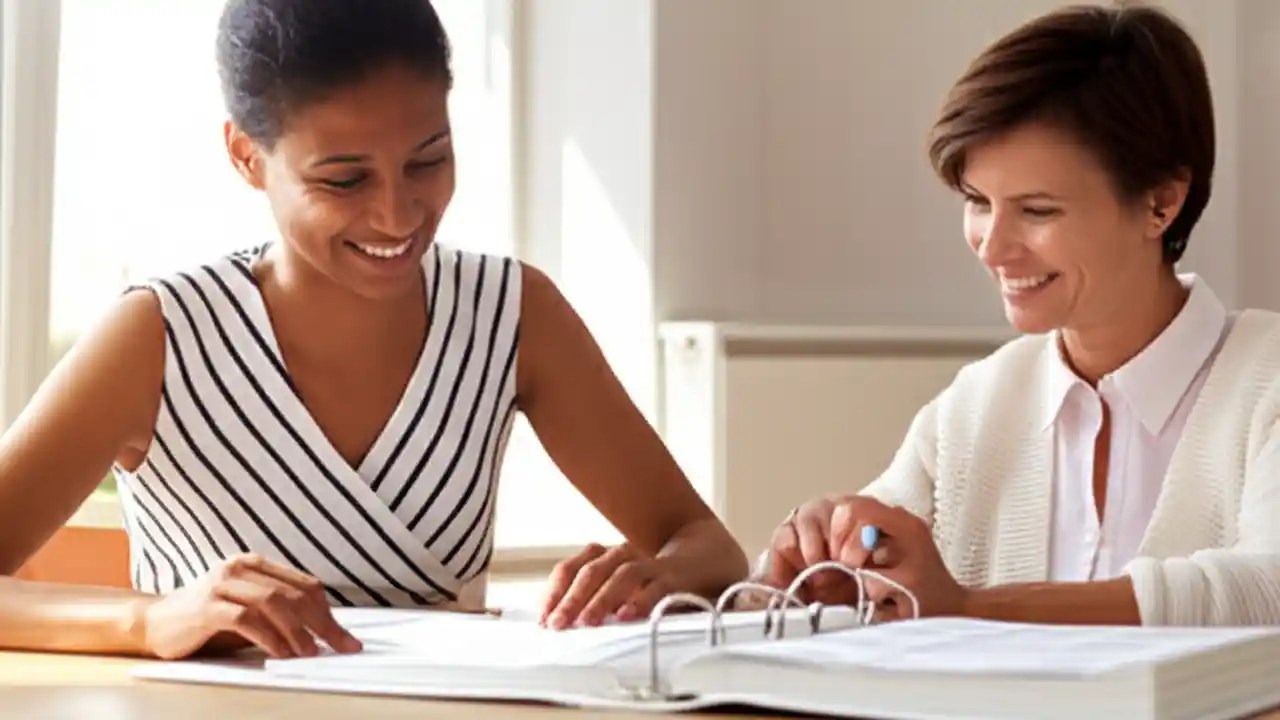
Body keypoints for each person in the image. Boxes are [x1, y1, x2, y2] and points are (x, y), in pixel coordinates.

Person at [0, 0, 746, 660]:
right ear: (247, 158)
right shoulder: (158, 336)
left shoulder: (513, 312)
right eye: (344, 180)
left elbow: (709, 546)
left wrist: (659, 575)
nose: (399, 215)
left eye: (429, 160)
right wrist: (153, 620)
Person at [760, 3, 1280, 627]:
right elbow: (874, 553)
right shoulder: (974, 407)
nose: (992, 244)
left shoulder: (1265, 383)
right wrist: (826, 559)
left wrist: (971, 607)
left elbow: (1267, 586)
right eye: (978, 202)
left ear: (1161, 203)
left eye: (1037, 211)